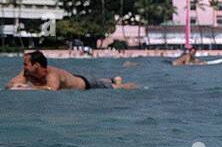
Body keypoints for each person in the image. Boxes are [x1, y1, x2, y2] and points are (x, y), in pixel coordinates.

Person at [6, 50, 138, 90]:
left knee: (114, 87)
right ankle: (113, 78)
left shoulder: (52, 74)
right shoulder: (27, 73)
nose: (23, 67)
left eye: (25, 64)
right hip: (73, 79)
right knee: (106, 81)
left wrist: (26, 88)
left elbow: (52, 89)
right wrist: (14, 85)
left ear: (36, 65)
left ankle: (122, 83)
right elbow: (9, 85)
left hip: (86, 84)